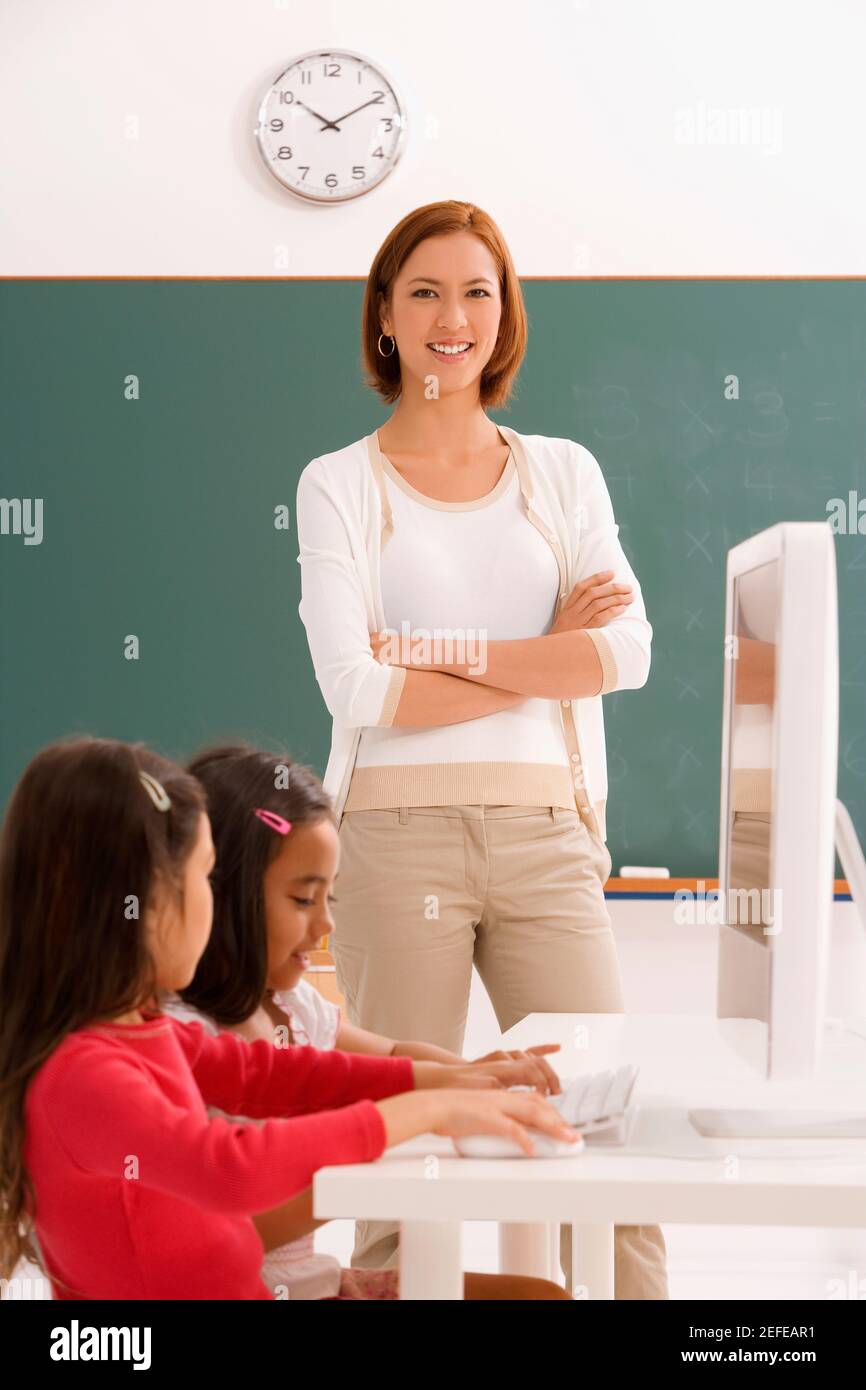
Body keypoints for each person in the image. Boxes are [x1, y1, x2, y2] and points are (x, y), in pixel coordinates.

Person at [295, 198, 668, 1297]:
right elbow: (357, 688)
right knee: (392, 1153)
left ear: (503, 317)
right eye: (423, 291)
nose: (450, 316)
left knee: (610, 1135)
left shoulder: (561, 471)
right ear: (383, 317)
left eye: (476, 291)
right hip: (388, 843)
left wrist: (459, 657)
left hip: (547, 833)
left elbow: (627, 653)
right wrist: (545, 648)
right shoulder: (338, 483)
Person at [0, 735, 579, 1300]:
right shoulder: (84, 1072)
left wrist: (446, 1084)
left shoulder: (142, 1031)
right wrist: (425, 1109)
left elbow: (274, 1074)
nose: (216, 895)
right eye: (205, 876)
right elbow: (226, 1167)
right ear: (142, 900)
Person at [163, 740, 571, 1300]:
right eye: (305, 900)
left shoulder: (291, 1006)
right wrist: (380, 1149)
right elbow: (234, 1230)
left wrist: (472, 1076)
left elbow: (394, 1056)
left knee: (540, 1295)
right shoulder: (180, 1036)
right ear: (223, 892)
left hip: (314, 1284)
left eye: (331, 898)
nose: (326, 923)